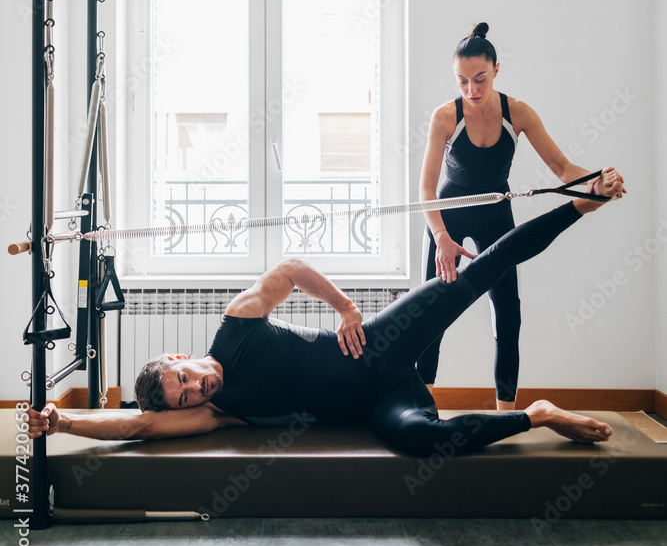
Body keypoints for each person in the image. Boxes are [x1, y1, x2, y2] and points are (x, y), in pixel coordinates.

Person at [28, 169, 623, 458]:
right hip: (381, 401)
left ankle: (581, 204)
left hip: (382, 340)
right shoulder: (218, 412)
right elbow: (134, 426)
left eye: (183, 378)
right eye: (186, 396)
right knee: (421, 439)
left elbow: (287, 269)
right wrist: (62, 423)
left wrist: (343, 307)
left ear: (181, 359)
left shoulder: (235, 326)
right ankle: (537, 415)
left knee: (476, 274)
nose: (194, 388)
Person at [418, 22, 623, 409]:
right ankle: (420, 407)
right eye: (462, 81)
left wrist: (599, 179)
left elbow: (563, 169)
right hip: (449, 218)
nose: (471, 90)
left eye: (479, 79)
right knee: (433, 315)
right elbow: (426, 190)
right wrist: (441, 238)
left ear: (496, 69)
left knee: (508, 315)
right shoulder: (445, 116)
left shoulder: (520, 113)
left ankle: (505, 415)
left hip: (496, 216)